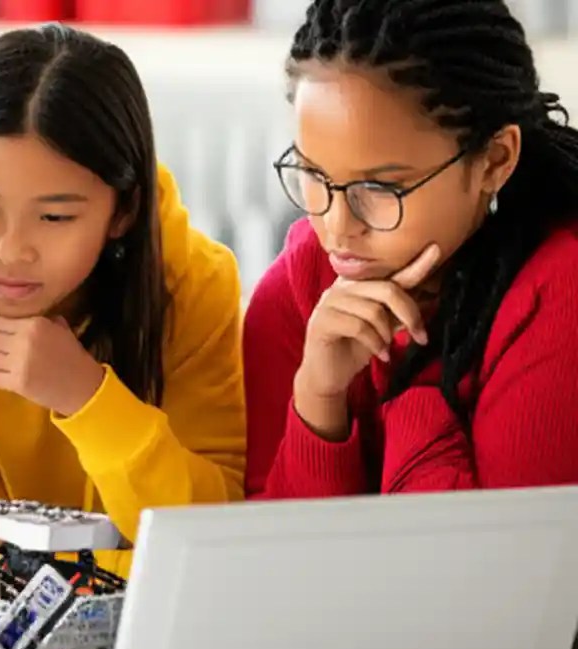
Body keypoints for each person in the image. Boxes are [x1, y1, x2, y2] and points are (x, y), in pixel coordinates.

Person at [0, 24, 246, 577]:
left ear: (124, 210)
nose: (9, 250)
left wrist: (88, 399)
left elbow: (211, 537)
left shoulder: (195, 285)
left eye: (54, 217)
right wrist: (113, 565)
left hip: (137, 615)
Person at [244, 0, 578, 498]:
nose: (337, 228)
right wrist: (317, 397)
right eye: (314, 174)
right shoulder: (299, 287)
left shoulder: (560, 293)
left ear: (494, 161)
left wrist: (415, 382)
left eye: (381, 188)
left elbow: (493, 544)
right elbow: (265, 542)